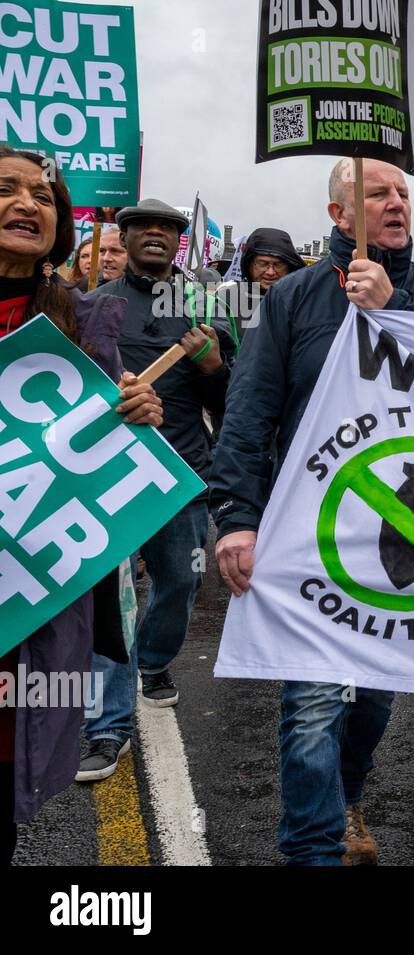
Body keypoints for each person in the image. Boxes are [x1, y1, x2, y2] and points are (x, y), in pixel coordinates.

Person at [208, 158, 414, 865]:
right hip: (309, 535)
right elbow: (249, 410)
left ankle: (346, 797)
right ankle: (311, 848)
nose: (396, 203)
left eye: (404, 193)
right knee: (314, 707)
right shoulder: (292, 298)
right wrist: (236, 516)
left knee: (373, 704)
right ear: (338, 217)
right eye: (377, 192)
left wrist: (397, 310)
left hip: (404, 533)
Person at [0, 145, 161, 863]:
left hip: (28, 595)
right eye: (6, 189)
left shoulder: (83, 319)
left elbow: (100, 441)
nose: (28, 203)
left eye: (42, 193)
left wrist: (137, 408)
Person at [75, 199, 239, 782]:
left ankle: (156, 662)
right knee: (111, 601)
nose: (155, 235)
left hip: (182, 474)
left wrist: (214, 363)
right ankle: (106, 726)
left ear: (178, 242)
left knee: (181, 580)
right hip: (110, 477)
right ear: (124, 236)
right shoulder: (89, 306)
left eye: (168, 229)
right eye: (143, 226)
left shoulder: (206, 308)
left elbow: (228, 404)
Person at [241, 227, 307, 292]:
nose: (270, 272)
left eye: (278, 265)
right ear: (249, 265)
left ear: (290, 267)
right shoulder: (233, 298)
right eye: (262, 264)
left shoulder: (303, 300)